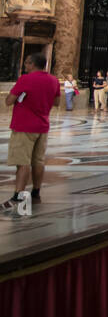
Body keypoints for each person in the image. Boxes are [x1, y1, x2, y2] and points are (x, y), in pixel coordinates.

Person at [2, 54, 61, 213]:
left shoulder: (25, 79)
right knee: (38, 161)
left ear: (32, 64)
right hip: (42, 126)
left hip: (24, 126)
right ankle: (35, 193)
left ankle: (18, 196)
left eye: (27, 63)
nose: (25, 66)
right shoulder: (53, 80)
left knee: (22, 162)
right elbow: (56, 102)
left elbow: (9, 101)